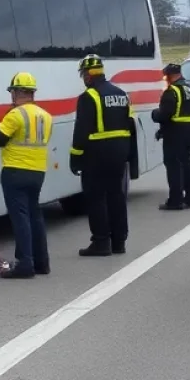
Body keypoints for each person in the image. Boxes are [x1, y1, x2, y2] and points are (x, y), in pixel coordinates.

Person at [0, 72, 53, 278]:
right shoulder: (46, 116)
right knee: (35, 215)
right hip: (38, 172)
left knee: (20, 217)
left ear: (16, 92)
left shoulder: (15, 115)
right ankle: (42, 263)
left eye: (13, 92)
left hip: (15, 171)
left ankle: (25, 263)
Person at [70, 54, 135, 257]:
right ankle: (119, 241)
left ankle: (101, 242)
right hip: (120, 152)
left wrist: (75, 157)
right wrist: (131, 156)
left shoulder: (88, 97)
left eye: (83, 75)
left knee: (96, 198)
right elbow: (131, 126)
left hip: (96, 154)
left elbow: (82, 130)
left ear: (88, 75)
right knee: (116, 195)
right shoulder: (121, 94)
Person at [152, 62, 190, 211]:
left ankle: (175, 200)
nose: (165, 79)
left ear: (171, 76)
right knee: (187, 163)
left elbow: (165, 115)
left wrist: (155, 114)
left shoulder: (172, 91)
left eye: (166, 76)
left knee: (173, 165)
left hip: (176, 132)